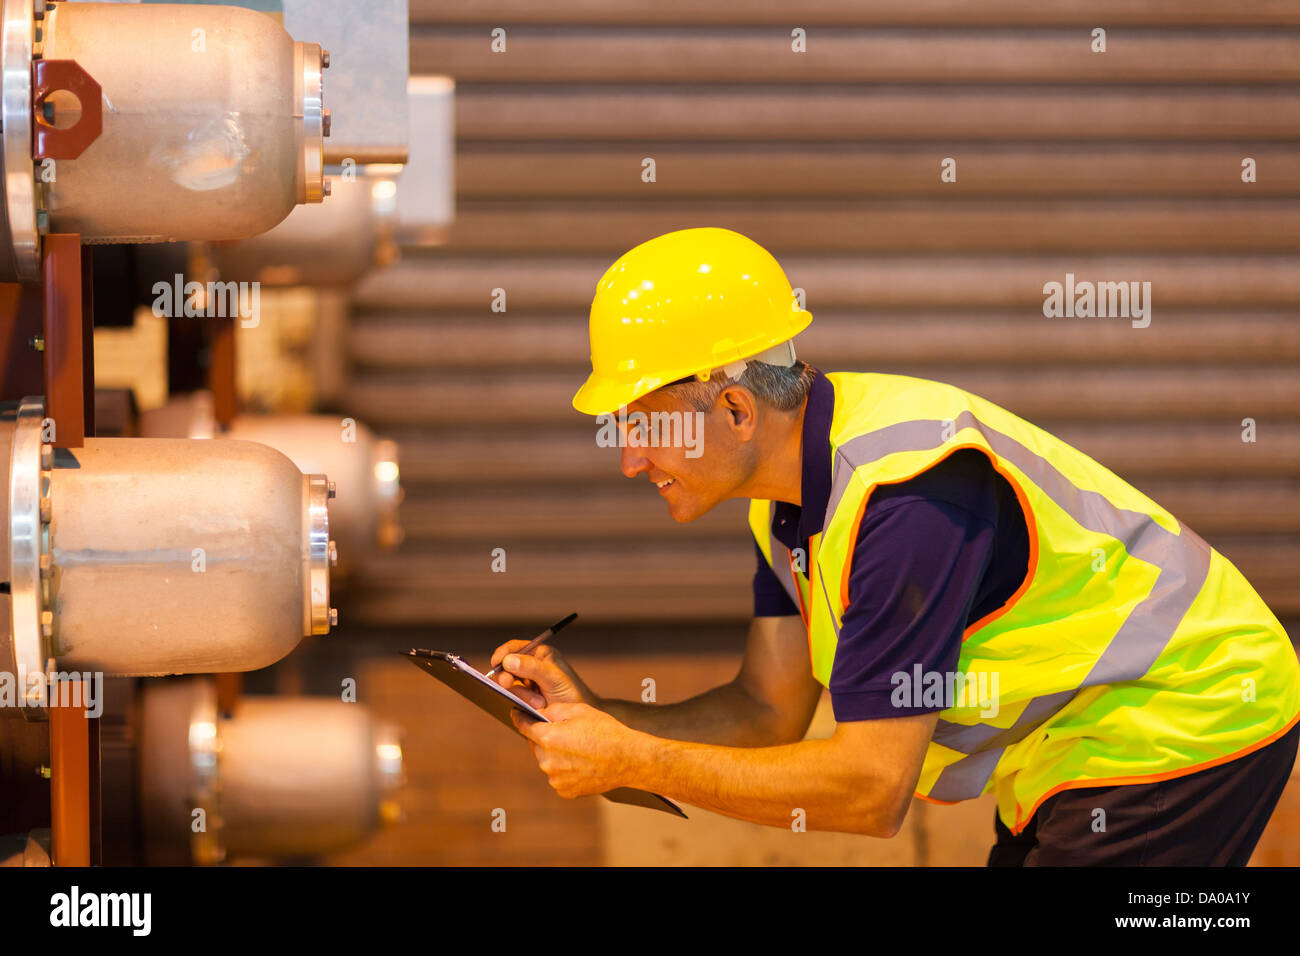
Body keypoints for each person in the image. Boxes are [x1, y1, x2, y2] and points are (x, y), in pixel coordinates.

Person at [491, 226, 1300, 865]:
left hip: (1187, 710)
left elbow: (872, 789)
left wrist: (630, 761)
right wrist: (597, 719)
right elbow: (766, 713)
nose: (631, 458)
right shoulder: (786, 507)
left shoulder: (906, 496)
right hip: (1080, 749)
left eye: (645, 426)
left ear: (737, 411)